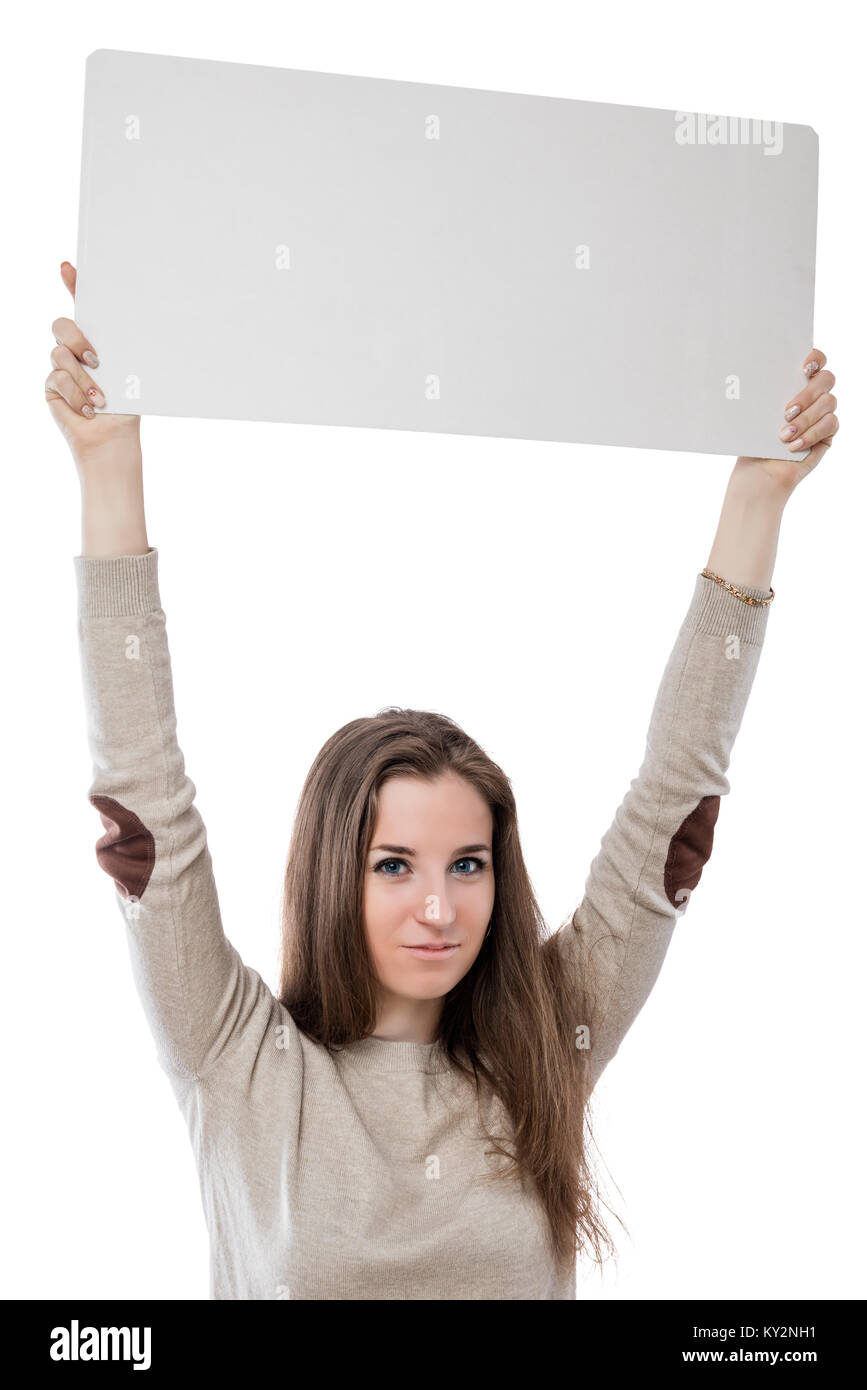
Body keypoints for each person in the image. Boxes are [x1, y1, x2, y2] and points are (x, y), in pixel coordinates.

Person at [47, 259, 839, 1300]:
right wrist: (108, 464)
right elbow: (145, 797)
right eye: (394, 864)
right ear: (337, 873)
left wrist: (759, 493)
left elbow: (670, 804)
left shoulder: (548, 1047)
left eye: (468, 862)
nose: (439, 904)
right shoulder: (237, 1058)